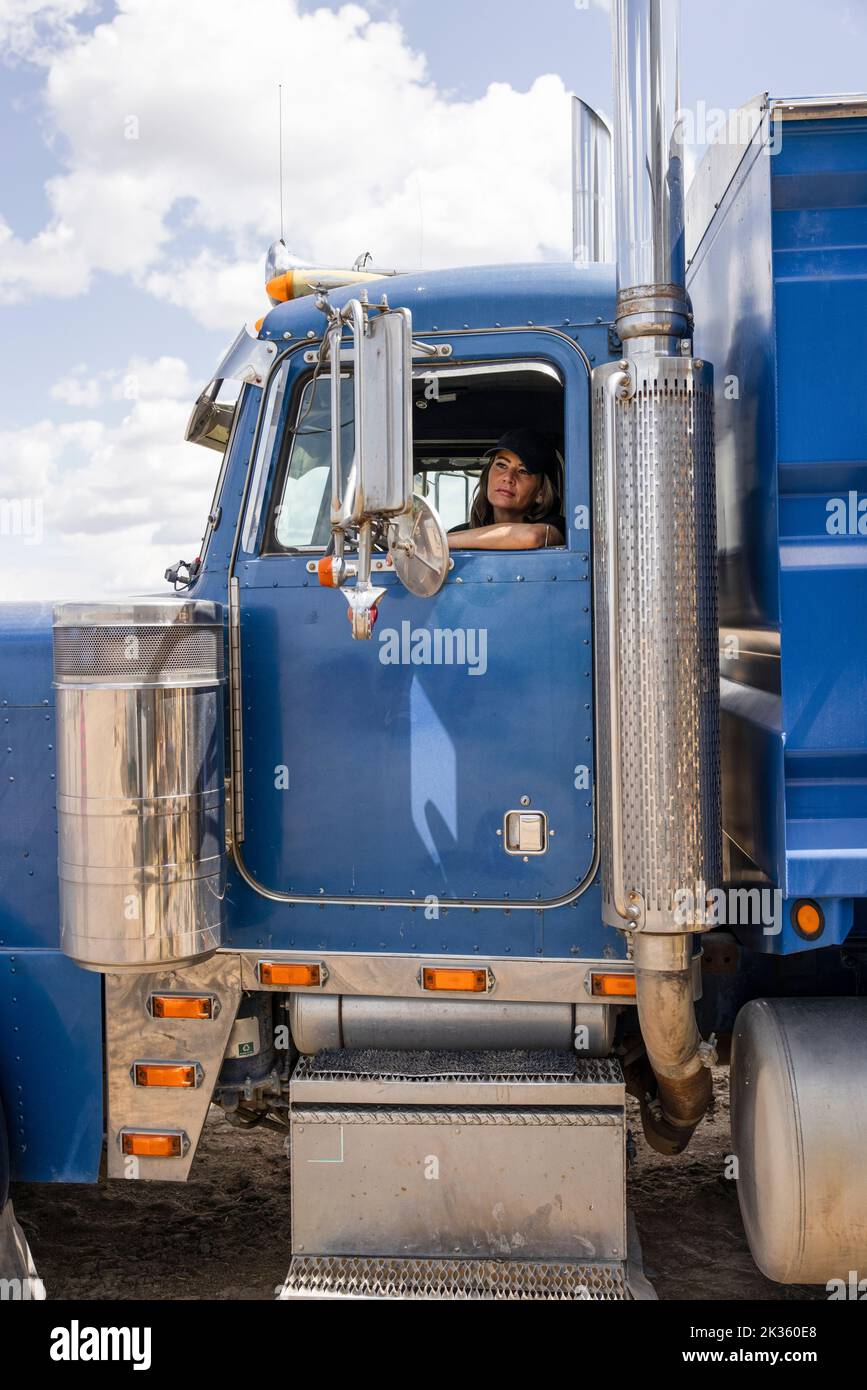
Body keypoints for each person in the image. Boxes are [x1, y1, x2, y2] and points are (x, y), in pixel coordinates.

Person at [447, 427, 566, 550]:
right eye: (501, 465)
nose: (508, 478)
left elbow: (531, 537)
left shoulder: (557, 527)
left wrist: (441, 542)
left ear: (540, 493)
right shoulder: (460, 532)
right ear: (488, 474)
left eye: (523, 471)